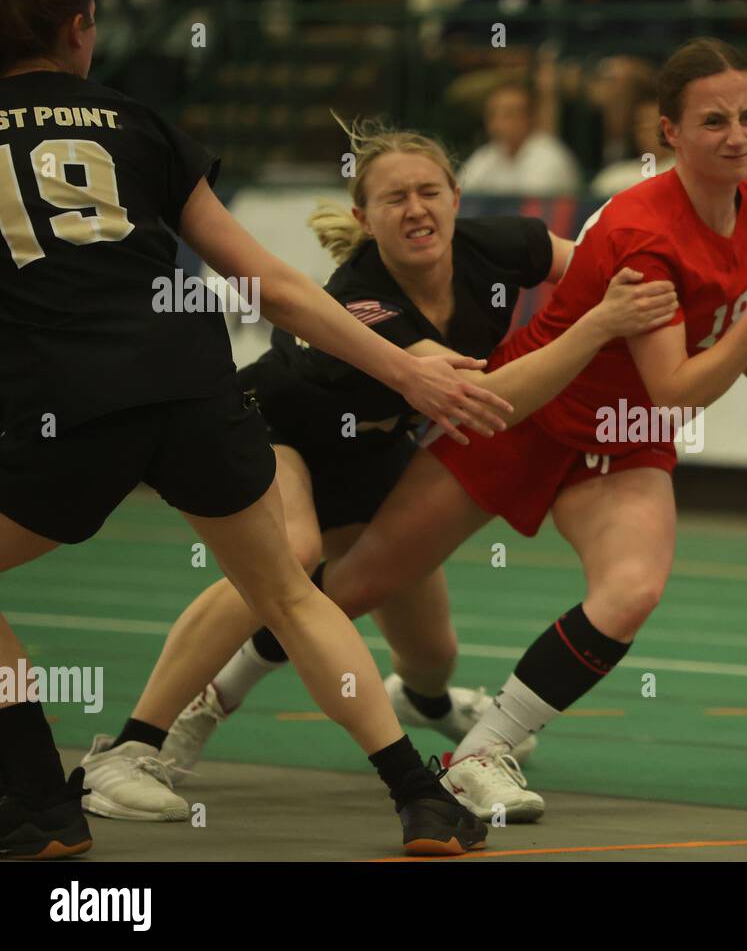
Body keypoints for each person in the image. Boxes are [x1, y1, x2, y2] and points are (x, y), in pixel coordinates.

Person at [104, 36, 747, 825]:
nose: (738, 134)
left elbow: (727, 358)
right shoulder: (381, 294)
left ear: (457, 194)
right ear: (668, 133)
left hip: (581, 434)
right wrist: (745, 316)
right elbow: (658, 386)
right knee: (322, 583)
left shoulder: (728, 216)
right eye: (714, 119)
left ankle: (483, 747)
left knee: (611, 596)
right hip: (412, 421)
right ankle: (180, 717)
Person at [0, 0, 507, 859]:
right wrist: (408, 368)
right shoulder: (136, 121)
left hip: (63, 397)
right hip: (193, 381)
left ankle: (41, 804)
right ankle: (422, 802)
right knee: (287, 592)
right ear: (80, 27)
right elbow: (269, 280)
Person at [134, 118, 677, 789]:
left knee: (430, 655)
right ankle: (190, 710)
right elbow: (477, 401)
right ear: (365, 217)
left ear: (456, 196)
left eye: (429, 191)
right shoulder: (361, 298)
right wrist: (600, 324)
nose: (416, 209)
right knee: (294, 558)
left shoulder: (508, 245)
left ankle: (426, 702)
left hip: (376, 451)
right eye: (395, 198)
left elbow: (607, 266)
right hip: (280, 432)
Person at [456, 80, 582, 196]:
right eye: (493, 114)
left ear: (530, 118)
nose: (497, 122)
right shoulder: (486, 155)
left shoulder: (550, 157)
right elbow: (460, 195)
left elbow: (534, 213)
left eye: (508, 114)